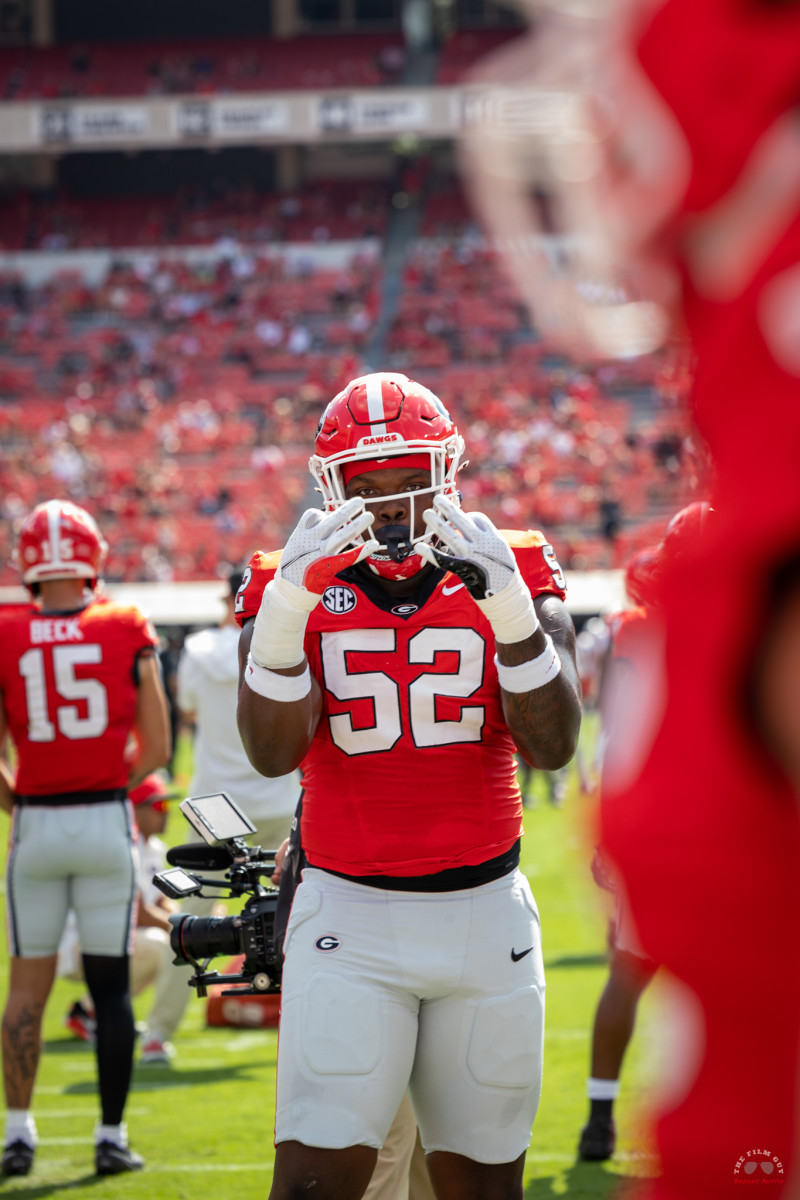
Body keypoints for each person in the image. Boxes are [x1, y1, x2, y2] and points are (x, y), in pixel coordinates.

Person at [235, 371, 582, 1200]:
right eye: (367, 484)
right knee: (314, 1185)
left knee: (485, 1188)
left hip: (485, 913)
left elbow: (556, 744)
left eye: (409, 480)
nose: (391, 504)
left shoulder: (514, 567)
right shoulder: (292, 579)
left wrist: (508, 609)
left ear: (446, 473)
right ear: (334, 486)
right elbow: (271, 752)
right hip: (348, 918)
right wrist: (286, 606)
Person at [0, 500, 171, 1177]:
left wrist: (22, 798)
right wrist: (103, 778)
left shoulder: (7, 629)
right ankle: (110, 1134)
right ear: (92, 555)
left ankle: (17, 1132)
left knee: (26, 990)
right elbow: (157, 747)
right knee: (111, 991)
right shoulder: (125, 623)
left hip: (36, 824)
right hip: (104, 818)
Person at [140, 569, 299, 1065]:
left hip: (219, 806)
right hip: (279, 794)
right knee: (300, 913)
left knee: (194, 912)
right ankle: (303, 1021)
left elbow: (186, 706)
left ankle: (158, 1032)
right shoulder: (288, 640)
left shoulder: (203, 648)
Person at [577, 544, 663, 1162]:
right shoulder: (723, 618)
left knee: (628, 972)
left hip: (633, 808)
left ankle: (599, 1118)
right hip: (692, 811)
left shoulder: (614, 629)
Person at [63, 772, 178, 1044]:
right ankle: (89, 1009)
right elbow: (138, 913)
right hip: (80, 943)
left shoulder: (153, 847)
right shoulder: (123, 845)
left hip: (110, 937)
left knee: (173, 945)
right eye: (159, 806)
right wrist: (184, 926)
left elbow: (162, 901)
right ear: (134, 810)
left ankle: (94, 1011)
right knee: (162, 945)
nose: (167, 813)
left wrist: (184, 920)